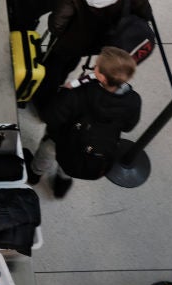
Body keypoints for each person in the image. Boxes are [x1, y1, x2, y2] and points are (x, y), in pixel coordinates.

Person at [38, 0, 152, 113]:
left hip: (72, 43)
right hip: (107, 45)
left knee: (56, 69)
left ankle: (44, 103)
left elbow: (56, 25)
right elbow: (145, 16)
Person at [28, 46, 141, 198]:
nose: (94, 67)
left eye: (97, 66)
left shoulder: (77, 93)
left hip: (60, 138)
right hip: (86, 150)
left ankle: (34, 174)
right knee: (71, 160)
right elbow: (128, 126)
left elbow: (51, 117)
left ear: (102, 77)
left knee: (47, 152)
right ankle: (62, 184)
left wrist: (64, 92)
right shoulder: (133, 100)